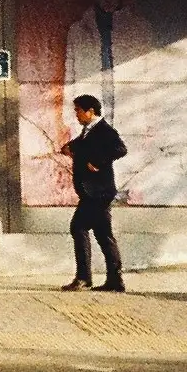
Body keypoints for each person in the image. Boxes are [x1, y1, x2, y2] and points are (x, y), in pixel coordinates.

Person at [60, 93, 127, 293]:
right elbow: (84, 145)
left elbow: (120, 149)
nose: (77, 115)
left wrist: (98, 162)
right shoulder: (89, 130)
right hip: (94, 192)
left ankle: (83, 278)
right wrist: (70, 147)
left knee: (78, 227)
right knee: (103, 235)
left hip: (98, 192)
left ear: (90, 111)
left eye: (79, 110)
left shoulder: (104, 130)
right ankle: (115, 281)